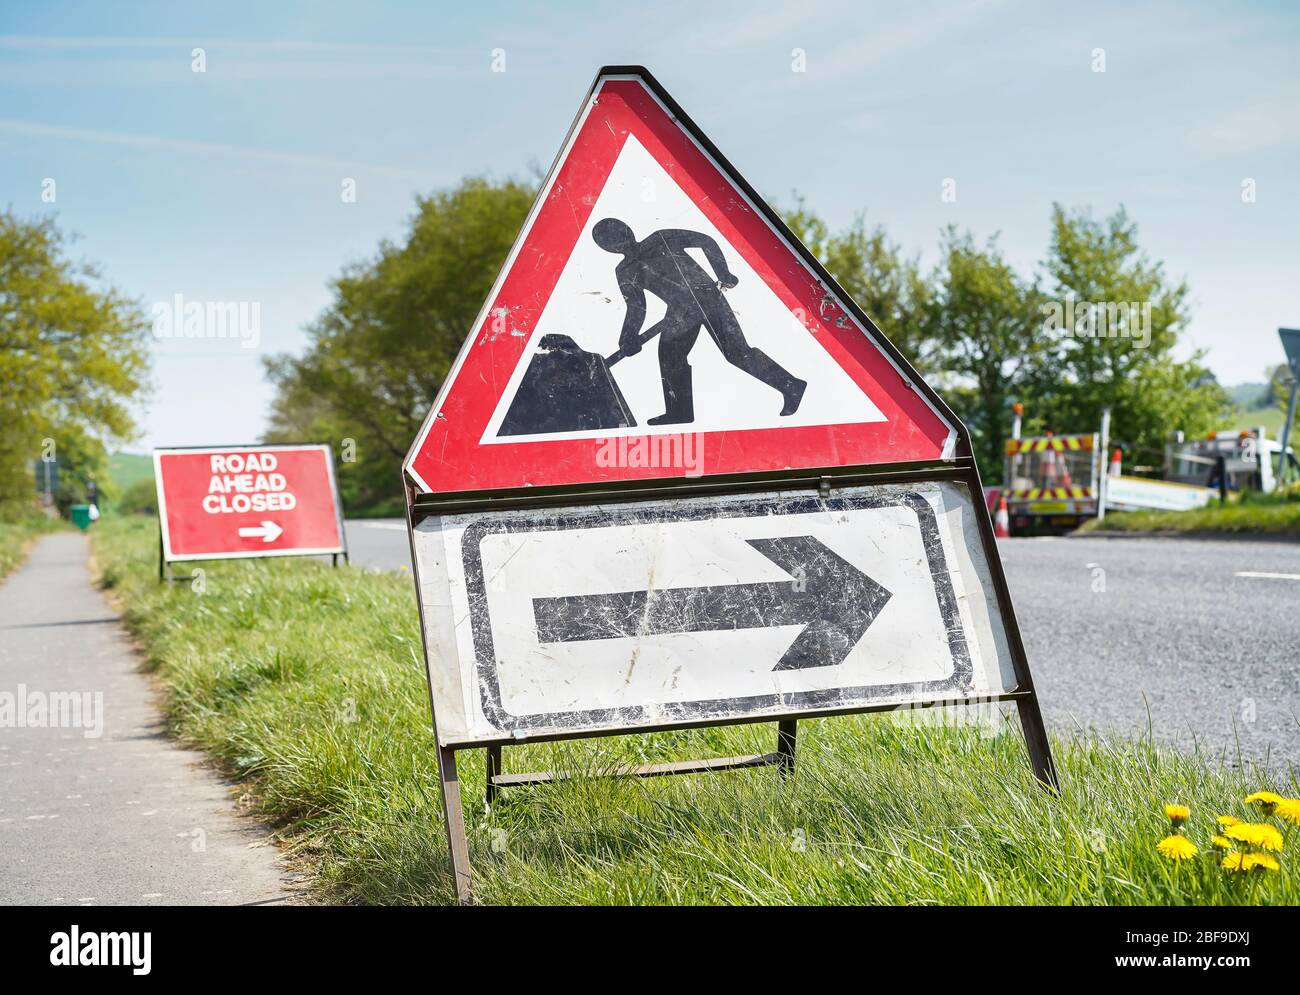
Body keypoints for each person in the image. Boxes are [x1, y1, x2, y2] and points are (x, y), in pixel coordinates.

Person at [592, 218, 806, 426]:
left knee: (737, 353)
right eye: (610, 239)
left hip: (707, 297)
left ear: (628, 230)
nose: (619, 240)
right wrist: (627, 337)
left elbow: (705, 241)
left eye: (619, 233)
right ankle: (679, 412)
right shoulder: (625, 271)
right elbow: (636, 307)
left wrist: (723, 273)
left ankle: (791, 385)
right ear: (607, 248)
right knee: (670, 357)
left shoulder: (660, 239)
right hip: (679, 313)